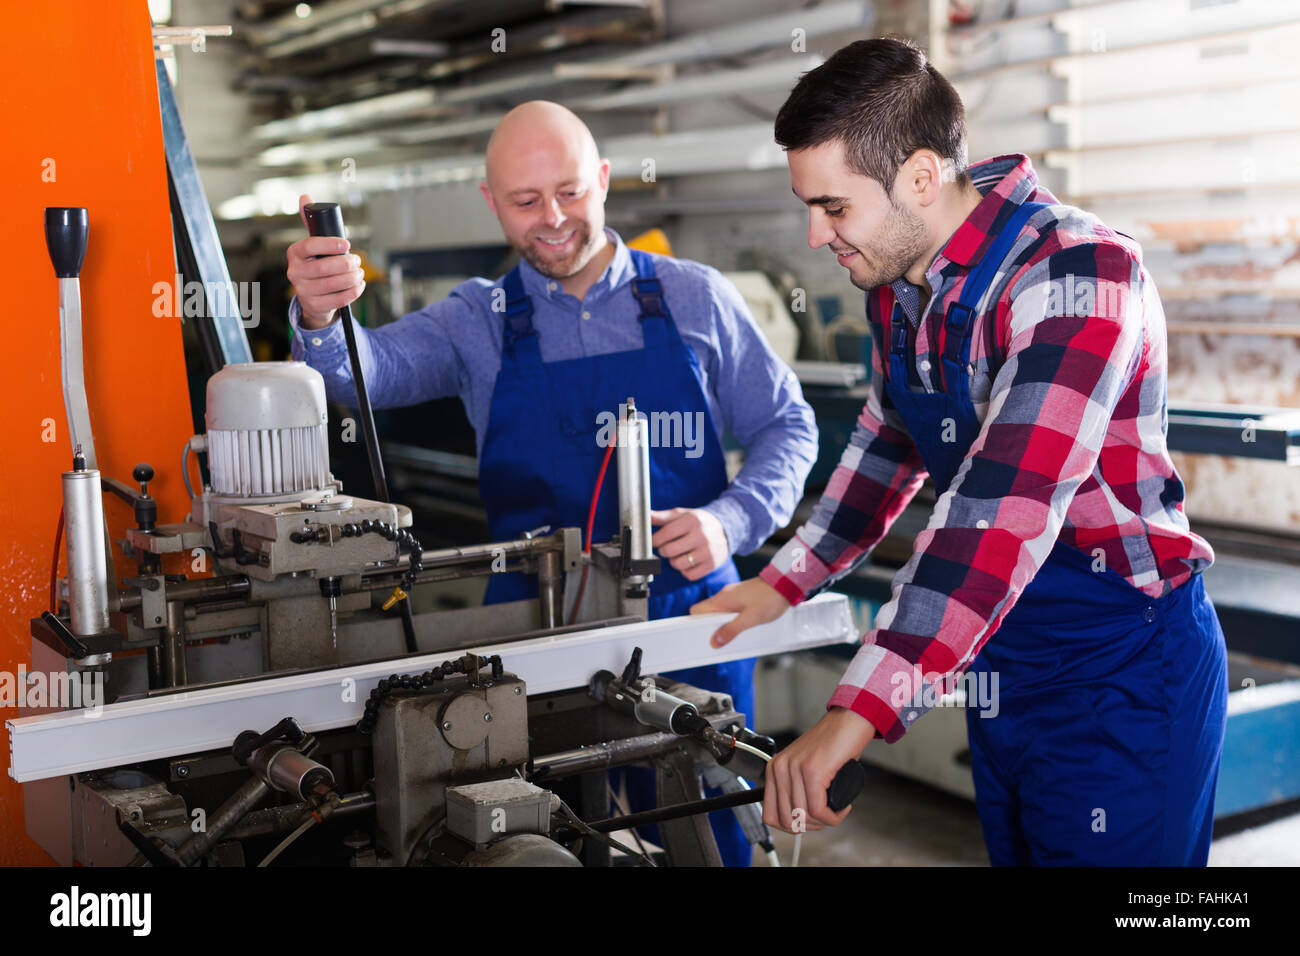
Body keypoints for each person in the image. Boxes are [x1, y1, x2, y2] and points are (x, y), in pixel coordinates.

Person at [693, 38, 1228, 865]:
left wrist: (857, 711)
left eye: (833, 207)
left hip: (1120, 666)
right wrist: (781, 581)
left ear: (918, 177)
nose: (813, 236)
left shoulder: (1078, 276)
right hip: (1000, 657)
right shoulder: (901, 284)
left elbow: (997, 517)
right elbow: (885, 444)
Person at [285, 100, 819, 866]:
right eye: (526, 201)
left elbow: (789, 427)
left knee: (710, 830)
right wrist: (319, 313)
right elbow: (362, 372)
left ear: (604, 180)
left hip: (689, 617)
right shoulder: (478, 318)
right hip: (531, 629)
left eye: (570, 191)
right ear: (491, 203)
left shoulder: (693, 296)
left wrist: (731, 522)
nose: (554, 219)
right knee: (541, 837)